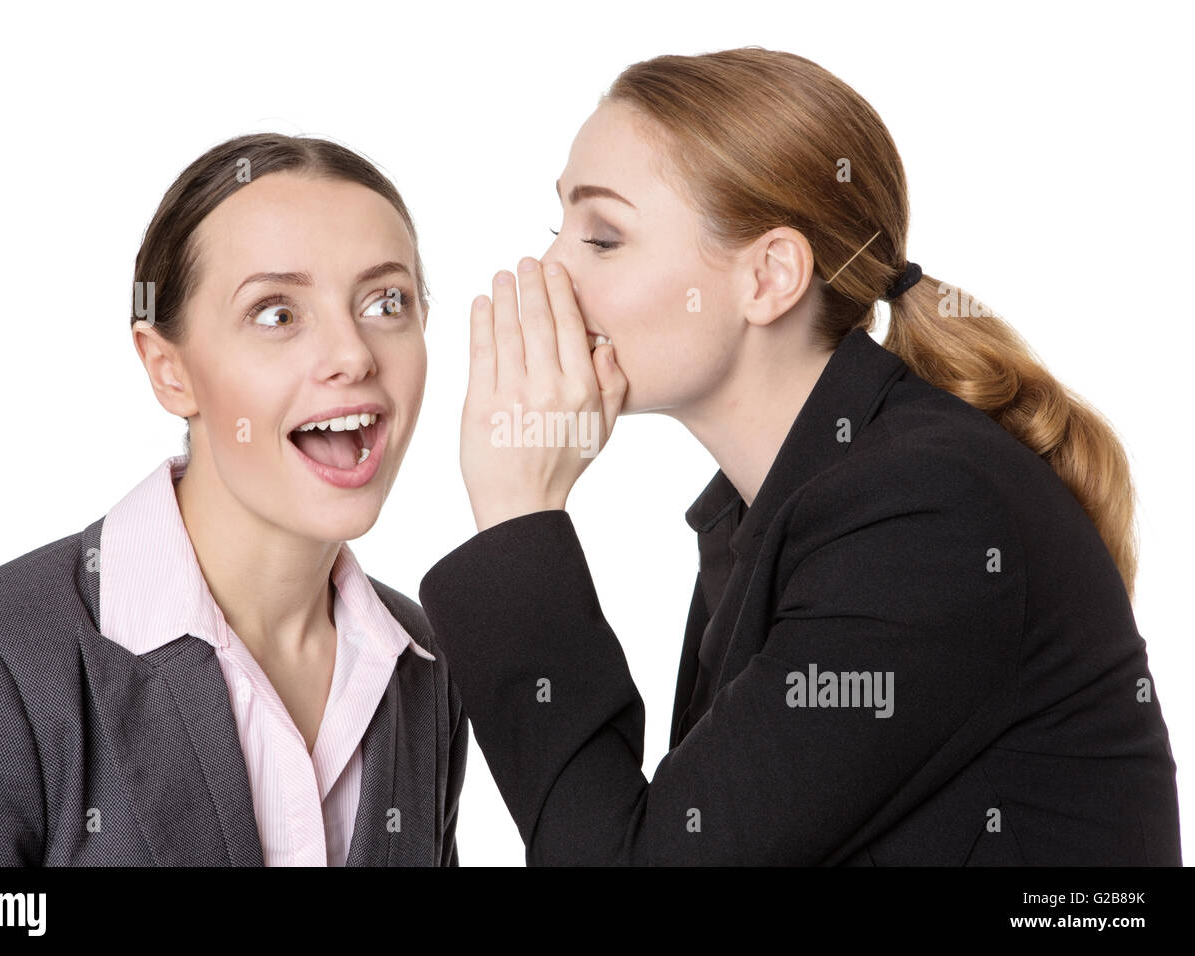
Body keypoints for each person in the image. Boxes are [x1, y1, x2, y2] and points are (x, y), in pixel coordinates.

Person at [417, 47, 1181, 865]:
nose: (549, 274)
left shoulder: (924, 514)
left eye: (603, 238)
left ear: (770, 275)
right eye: (558, 228)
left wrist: (517, 513)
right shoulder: (792, 505)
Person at [0, 133, 467, 866]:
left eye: (387, 301)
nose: (355, 355)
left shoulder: (425, 664)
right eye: (277, 313)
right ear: (169, 372)